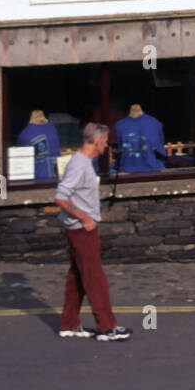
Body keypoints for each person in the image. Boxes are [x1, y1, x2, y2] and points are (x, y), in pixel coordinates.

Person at [54, 123, 131, 342]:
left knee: (77, 277)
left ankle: (68, 324)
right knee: (95, 278)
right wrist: (85, 218)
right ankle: (107, 327)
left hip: (77, 229)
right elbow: (60, 197)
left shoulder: (82, 162)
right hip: (82, 230)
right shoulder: (79, 165)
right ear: (97, 141)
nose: (106, 146)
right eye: (106, 141)